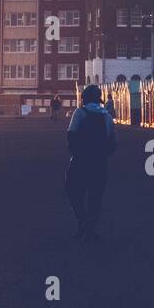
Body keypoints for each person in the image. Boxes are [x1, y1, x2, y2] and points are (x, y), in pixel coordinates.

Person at [65, 84, 117, 241]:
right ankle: (90, 228)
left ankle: (82, 221)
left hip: (80, 160)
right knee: (95, 197)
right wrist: (102, 155)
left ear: (84, 99)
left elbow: (71, 134)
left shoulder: (79, 113)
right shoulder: (106, 116)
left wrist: (76, 153)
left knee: (73, 191)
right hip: (99, 163)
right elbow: (112, 142)